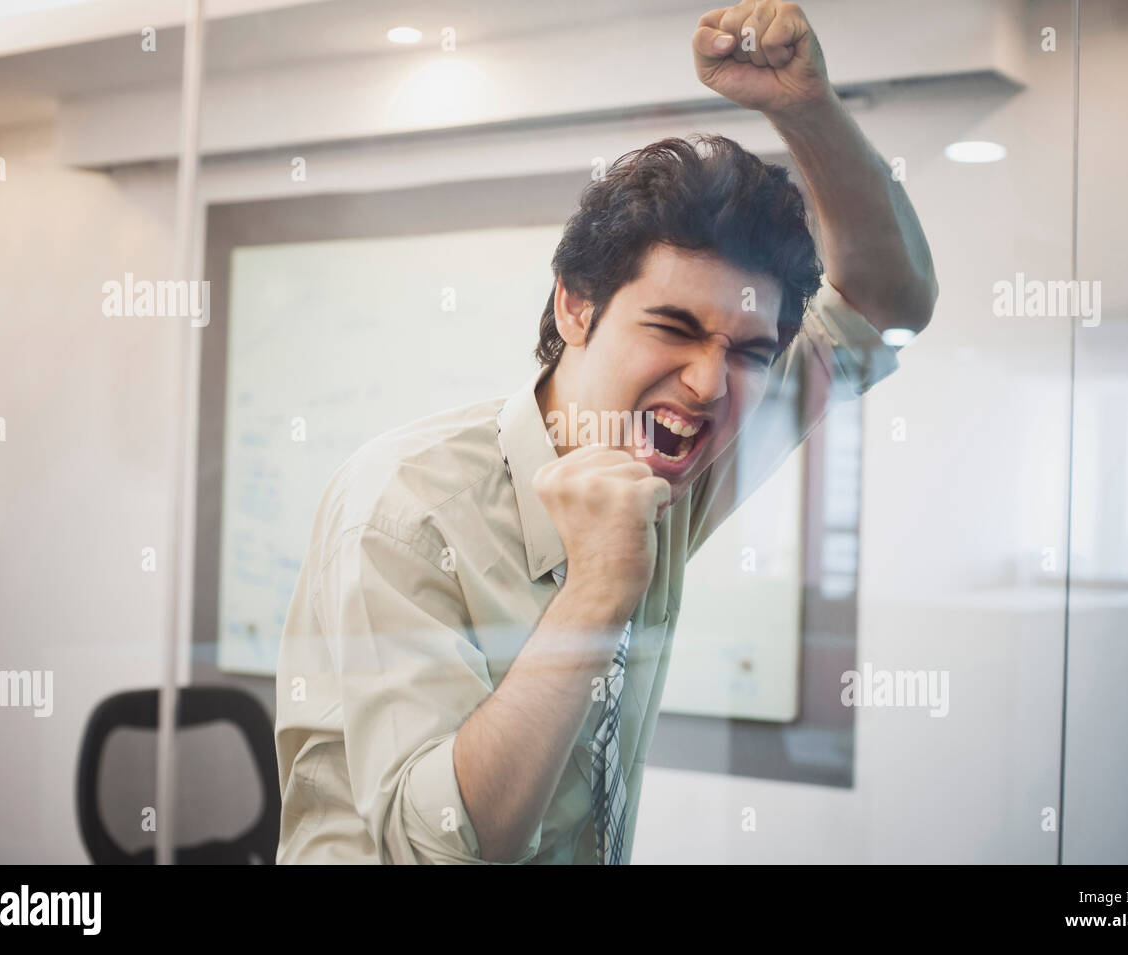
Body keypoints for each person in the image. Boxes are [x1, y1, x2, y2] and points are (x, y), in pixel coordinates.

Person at [274, 0, 937, 864]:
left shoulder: (676, 476)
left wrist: (804, 110)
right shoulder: (404, 507)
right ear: (575, 305)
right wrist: (593, 592)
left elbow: (887, 306)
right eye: (672, 328)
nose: (707, 382)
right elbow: (433, 847)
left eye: (748, 351)